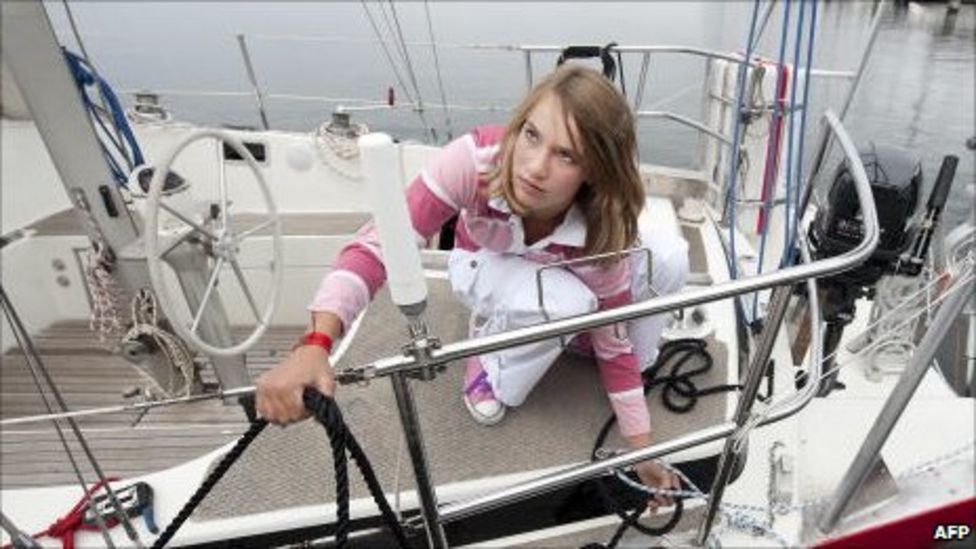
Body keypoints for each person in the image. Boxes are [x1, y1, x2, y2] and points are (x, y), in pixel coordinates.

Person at [256, 65, 689, 511]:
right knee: (566, 304)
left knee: (666, 258)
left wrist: (642, 448)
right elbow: (378, 244)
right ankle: (487, 362)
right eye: (532, 136)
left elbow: (612, 339)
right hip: (483, 260)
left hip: (551, 267)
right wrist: (316, 343)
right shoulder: (474, 161)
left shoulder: (602, 234)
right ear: (518, 126)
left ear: (594, 172)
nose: (534, 167)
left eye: (567, 156)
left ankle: (563, 333)